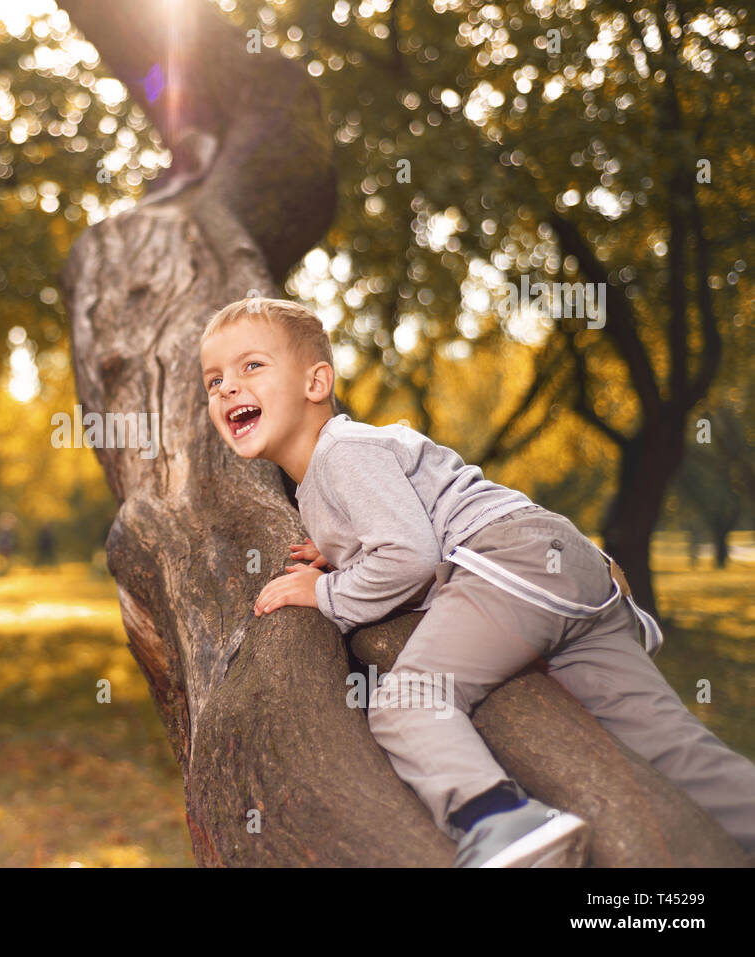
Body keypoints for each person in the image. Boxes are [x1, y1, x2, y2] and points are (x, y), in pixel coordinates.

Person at [199, 296, 755, 867]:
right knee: (670, 748)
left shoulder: (342, 452)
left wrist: (322, 592)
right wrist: (340, 548)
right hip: (569, 571)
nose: (225, 388)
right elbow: (409, 522)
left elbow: (409, 557)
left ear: (317, 382)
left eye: (251, 366)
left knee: (411, 699)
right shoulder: (342, 464)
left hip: (514, 563)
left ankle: (504, 822)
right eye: (213, 380)